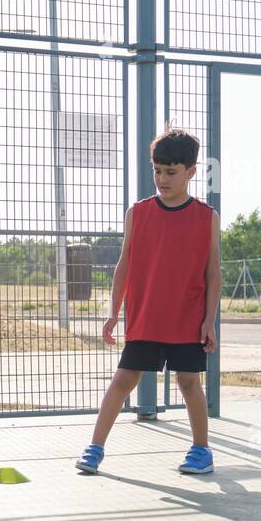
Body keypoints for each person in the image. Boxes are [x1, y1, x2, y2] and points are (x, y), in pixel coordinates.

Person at [75, 128, 222, 475]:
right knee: (124, 378)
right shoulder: (138, 213)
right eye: (157, 170)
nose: (162, 178)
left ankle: (201, 451)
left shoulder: (206, 217)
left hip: (187, 319)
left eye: (171, 172)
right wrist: (114, 311)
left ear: (191, 172)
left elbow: (213, 272)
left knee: (189, 383)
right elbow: (125, 263)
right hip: (145, 318)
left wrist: (208, 319)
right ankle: (95, 448)